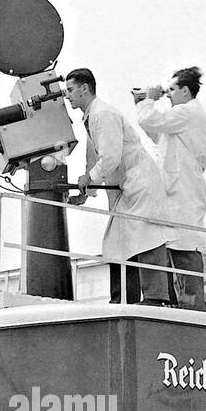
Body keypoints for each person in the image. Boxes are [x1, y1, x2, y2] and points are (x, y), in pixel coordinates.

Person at [63, 68, 175, 305]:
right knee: (117, 242)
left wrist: (89, 178)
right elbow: (94, 156)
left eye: (70, 90)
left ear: (85, 88)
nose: (67, 95)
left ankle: (157, 298)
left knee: (148, 236)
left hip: (141, 182)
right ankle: (123, 298)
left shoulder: (103, 114)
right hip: (129, 186)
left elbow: (110, 157)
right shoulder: (91, 117)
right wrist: (86, 190)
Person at [136, 66, 206, 311]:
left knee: (186, 249)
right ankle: (183, 305)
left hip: (184, 193)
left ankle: (192, 309)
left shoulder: (187, 112)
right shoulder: (183, 117)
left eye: (172, 89)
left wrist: (148, 100)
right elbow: (157, 132)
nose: (167, 94)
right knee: (176, 246)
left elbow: (150, 119)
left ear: (185, 91)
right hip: (177, 192)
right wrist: (142, 102)